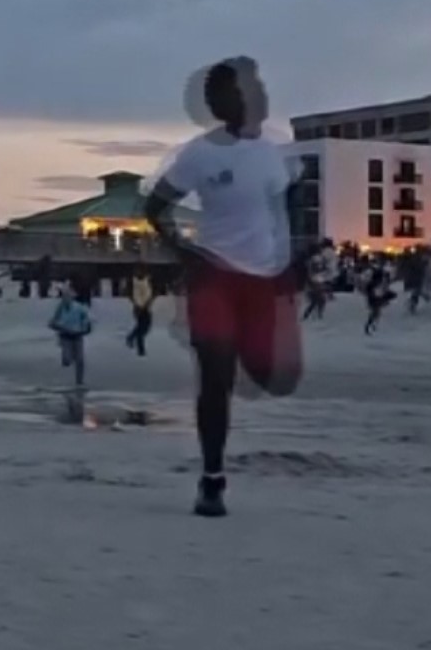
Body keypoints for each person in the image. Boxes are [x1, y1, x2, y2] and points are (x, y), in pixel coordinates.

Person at [144, 57, 306, 518]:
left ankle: (244, 361)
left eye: (258, 89)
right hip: (213, 276)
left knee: (266, 372)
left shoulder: (272, 154)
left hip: (263, 283)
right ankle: (212, 480)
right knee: (215, 381)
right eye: (247, 91)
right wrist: (184, 251)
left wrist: (288, 262)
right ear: (220, 102)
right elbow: (155, 208)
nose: (258, 97)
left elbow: (277, 213)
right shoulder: (199, 155)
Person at [50, 284, 94, 386]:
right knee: (67, 360)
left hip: (77, 335)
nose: (66, 299)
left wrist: (87, 328)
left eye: (68, 296)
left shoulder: (79, 308)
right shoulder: (60, 308)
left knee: (80, 360)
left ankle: (79, 381)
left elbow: (87, 320)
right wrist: (57, 326)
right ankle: (68, 357)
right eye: (64, 297)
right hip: (65, 336)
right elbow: (53, 321)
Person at [124, 268, 156, 357]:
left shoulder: (144, 281)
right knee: (142, 327)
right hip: (140, 307)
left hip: (143, 306)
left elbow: (150, 293)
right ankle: (140, 349)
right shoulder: (136, 282)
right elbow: (130, 293)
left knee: (143, 327)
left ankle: (131, 338)